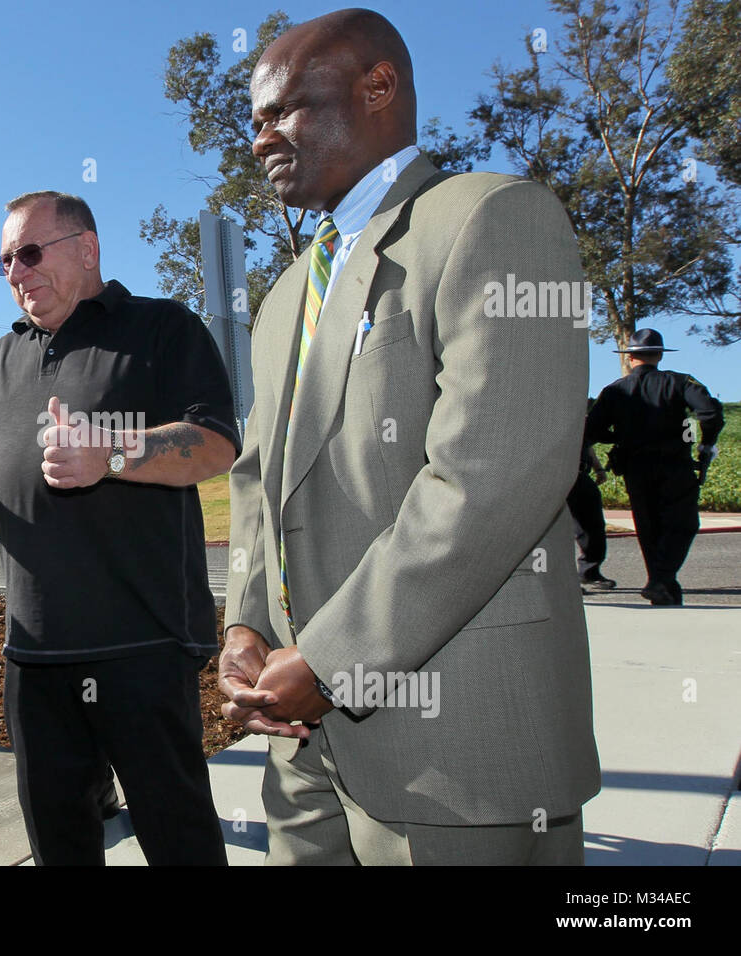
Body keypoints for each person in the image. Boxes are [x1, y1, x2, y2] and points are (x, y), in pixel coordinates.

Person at [220, 9, 601, 865]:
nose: (260, 138)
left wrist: (329, 661)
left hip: (453, 746)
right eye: (253, 121)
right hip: (297, 746)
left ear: (378, 87)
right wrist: (245, 628)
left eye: (281, 111)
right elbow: (258, 483)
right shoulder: (285, 297)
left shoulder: (492, 217)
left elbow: (491, 476)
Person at [0, 191, 238, 865]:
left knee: (179, 839)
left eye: (30, 253)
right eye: (5, 261)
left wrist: (110, 452)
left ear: (88, 248)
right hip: (35, 655)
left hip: (144, 643)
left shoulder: (161, 329)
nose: (16, 272)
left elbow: (216, 443)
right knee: (60, 844)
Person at [584, 328, 724, 606]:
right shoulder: (680, 382)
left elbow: (592, 430)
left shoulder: (614, 390)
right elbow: (710, 413)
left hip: (635, 467)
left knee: (649, 528)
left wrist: (622, 436)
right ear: (659, 355)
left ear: (631, 358)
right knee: (683, 524)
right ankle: (660, 581)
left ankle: (663, 586)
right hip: (674, 465)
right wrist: (706, 443)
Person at [568, 439, 616, 590]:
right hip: (559, 474)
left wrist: (598, 468)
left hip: (582, 474)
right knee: (557, 531)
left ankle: (589, 572)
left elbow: (586, 442)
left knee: (594, 526)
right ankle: (563, 580)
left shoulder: (577, 418)